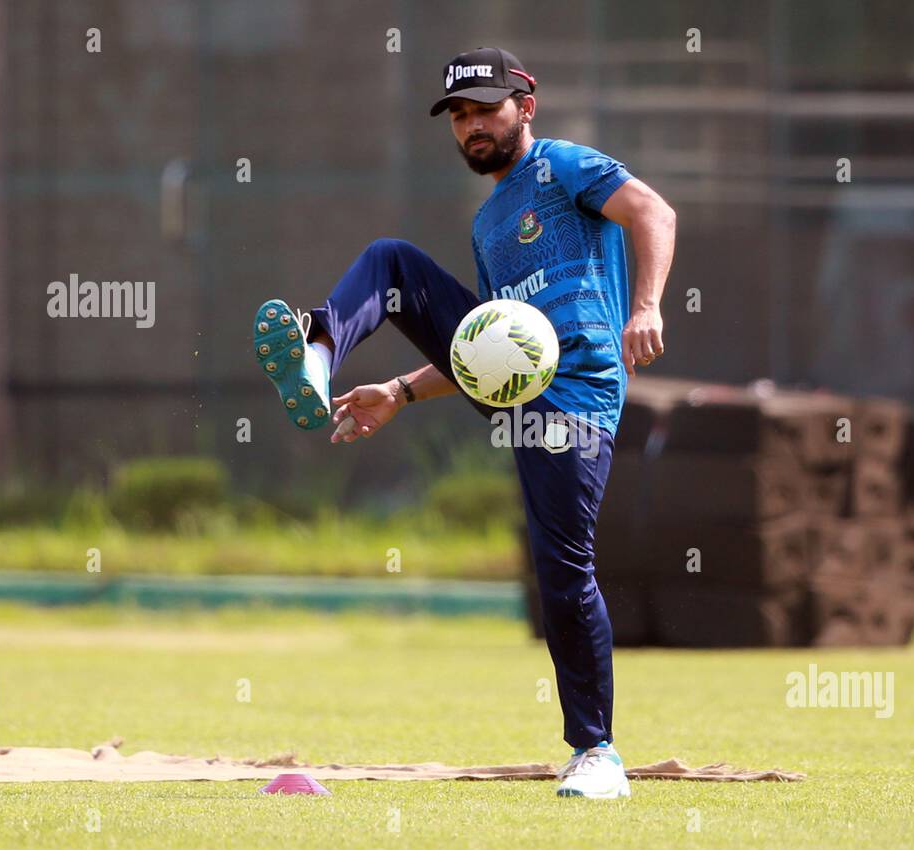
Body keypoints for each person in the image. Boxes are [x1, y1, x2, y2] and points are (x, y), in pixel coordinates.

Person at [253, 46, 676, 798]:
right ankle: (321, 348)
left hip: (577, 393)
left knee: (561, 567)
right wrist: (398, 392)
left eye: (487, 108)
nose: (473, 125)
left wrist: (645, 306)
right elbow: (485, 348)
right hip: (518, 389)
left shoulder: (564, 167)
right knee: (392, 262)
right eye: (459, 115)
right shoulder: (488, 226)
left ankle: (598, 754)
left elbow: (653, 209)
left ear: (527, 106)